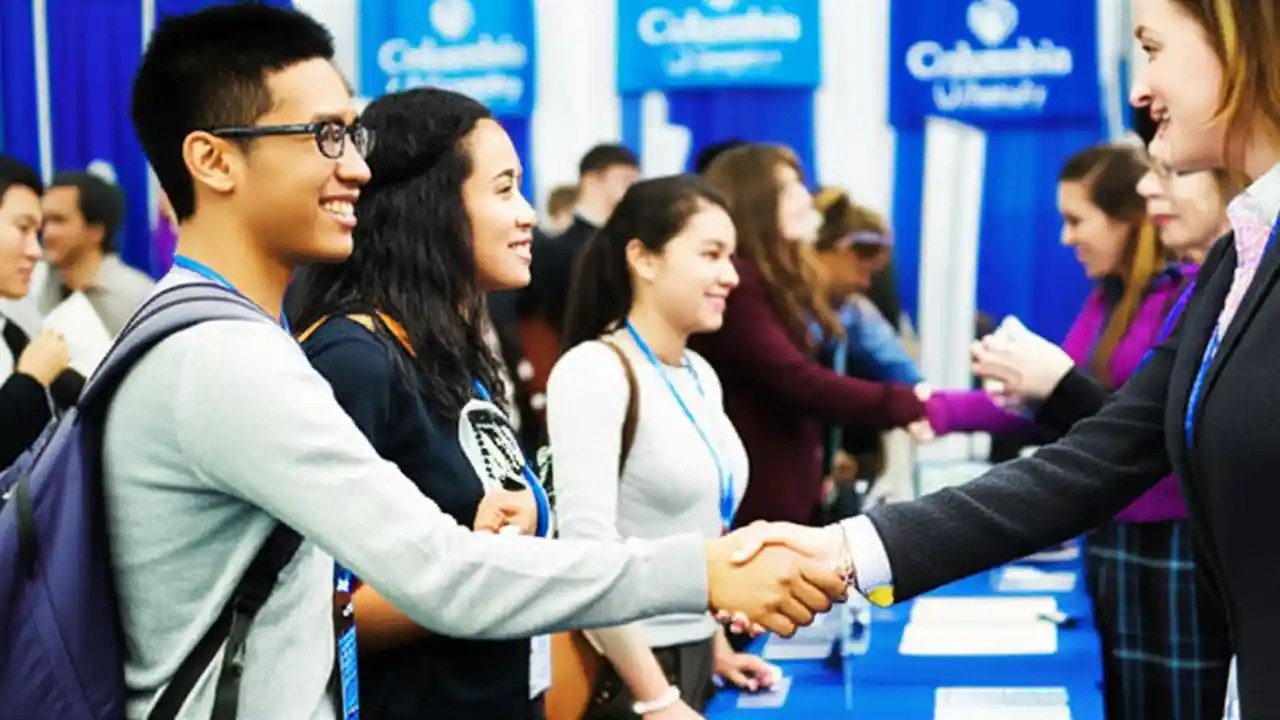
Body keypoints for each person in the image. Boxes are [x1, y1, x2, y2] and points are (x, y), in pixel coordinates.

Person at [105, 6, 843, 718]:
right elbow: (434, 577)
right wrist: (703, 572)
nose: (358, 168)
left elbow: (322, 598)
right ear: (212, 160)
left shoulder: (245, 342)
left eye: (353, 136)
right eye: (325, 136)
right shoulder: (226, 361)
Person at [734, 0, 1280, 711]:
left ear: (1239, 41)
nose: (1140, 92)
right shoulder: (1238, 257)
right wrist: (847, 550)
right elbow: (1102, 455)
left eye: (1151, 48)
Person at [928, 142, 1234, 719]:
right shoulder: (1108, 299)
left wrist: (1058, 384)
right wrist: (938, 408)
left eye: (1077, 220)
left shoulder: (1189, 293)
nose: (1066, 238)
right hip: (1115, 530)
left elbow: (1143, 431)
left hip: (1174, 540)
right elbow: (1065, 409)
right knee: (1127, 696)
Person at [291, 87, 554, 719]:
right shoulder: (353, 362)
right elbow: (310, 615)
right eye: (503, 189)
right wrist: (477, 561)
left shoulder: (444, 351)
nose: (528, 215)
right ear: (431, 207)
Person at [549, 176, 774, 719]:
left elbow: (692, 529)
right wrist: (656, 698)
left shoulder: (699, 373)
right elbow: (588, 556)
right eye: (711, 254)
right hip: (625, 671)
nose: (730, 275)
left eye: (732, 256)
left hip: (691, 653)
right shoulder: (594, 371)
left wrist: (715, 647)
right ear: (643, 259)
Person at [691, 144, 929, 527]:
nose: (806, 197)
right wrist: (906, 403)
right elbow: (797, 381)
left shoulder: (781, 282)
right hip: (758, 506)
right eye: (789, 187)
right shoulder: (740, 285)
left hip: (791, 494)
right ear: (757, 201)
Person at [0, 155, 78, 468]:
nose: (35, 251)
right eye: (23, 229)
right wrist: (31, 380)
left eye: (38, 233)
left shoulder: (12, 334)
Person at [36, 171, 155, 335]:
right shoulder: (36, 284)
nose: (46, 233)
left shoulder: (138, 297)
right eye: (44, 221)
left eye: (58, 221)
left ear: (95, 232)